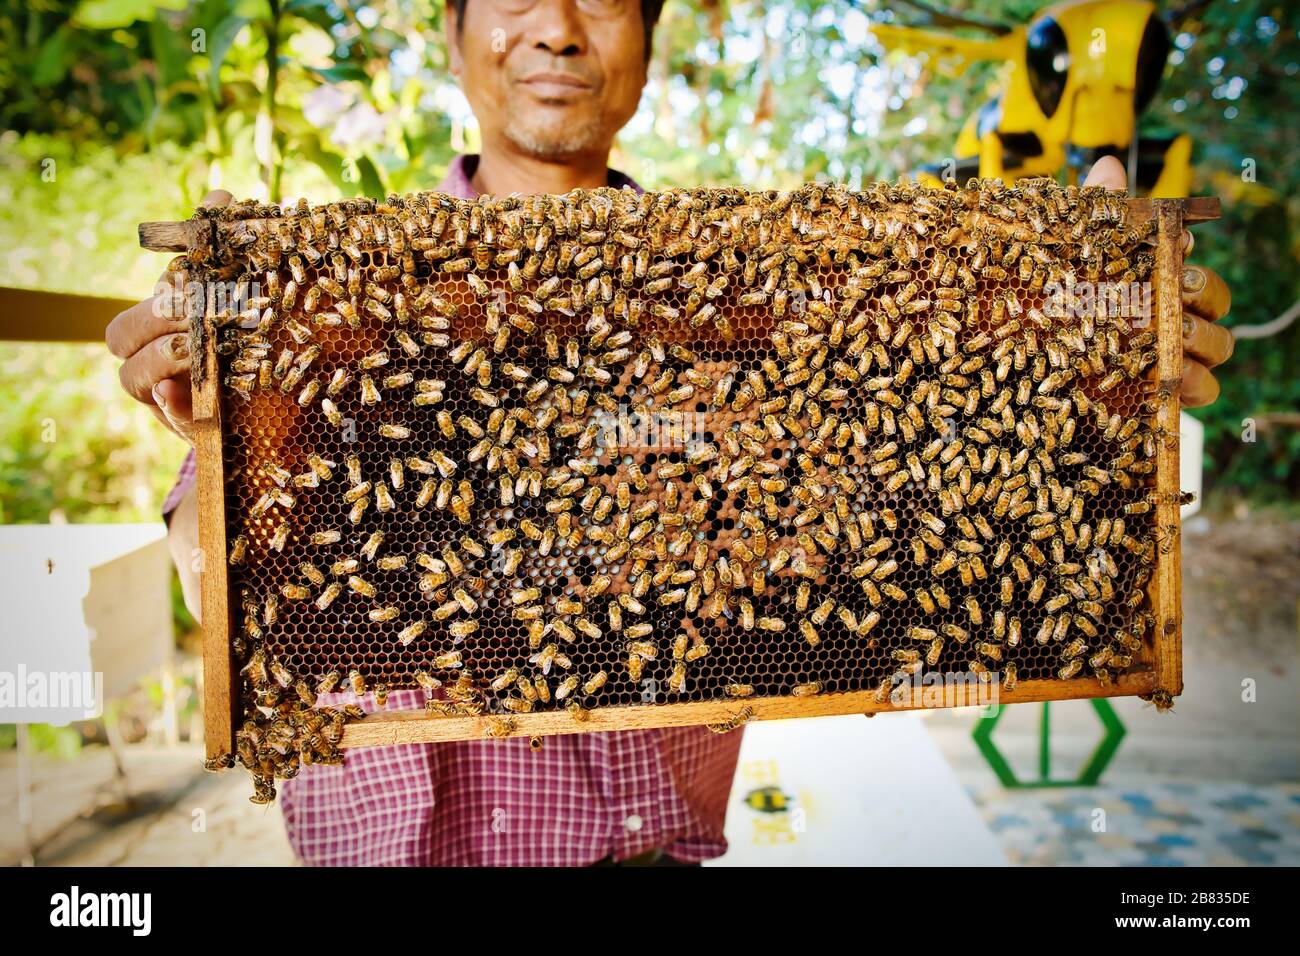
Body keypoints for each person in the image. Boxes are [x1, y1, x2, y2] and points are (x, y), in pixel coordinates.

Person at [106, 0, 1236, 867]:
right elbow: (226, 589)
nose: (556, 27)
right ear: (450, 34)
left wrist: (1097, 354)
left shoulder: (756, 309)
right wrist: (222, 429)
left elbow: (930, 495)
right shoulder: (331, 309)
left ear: (646, 43)